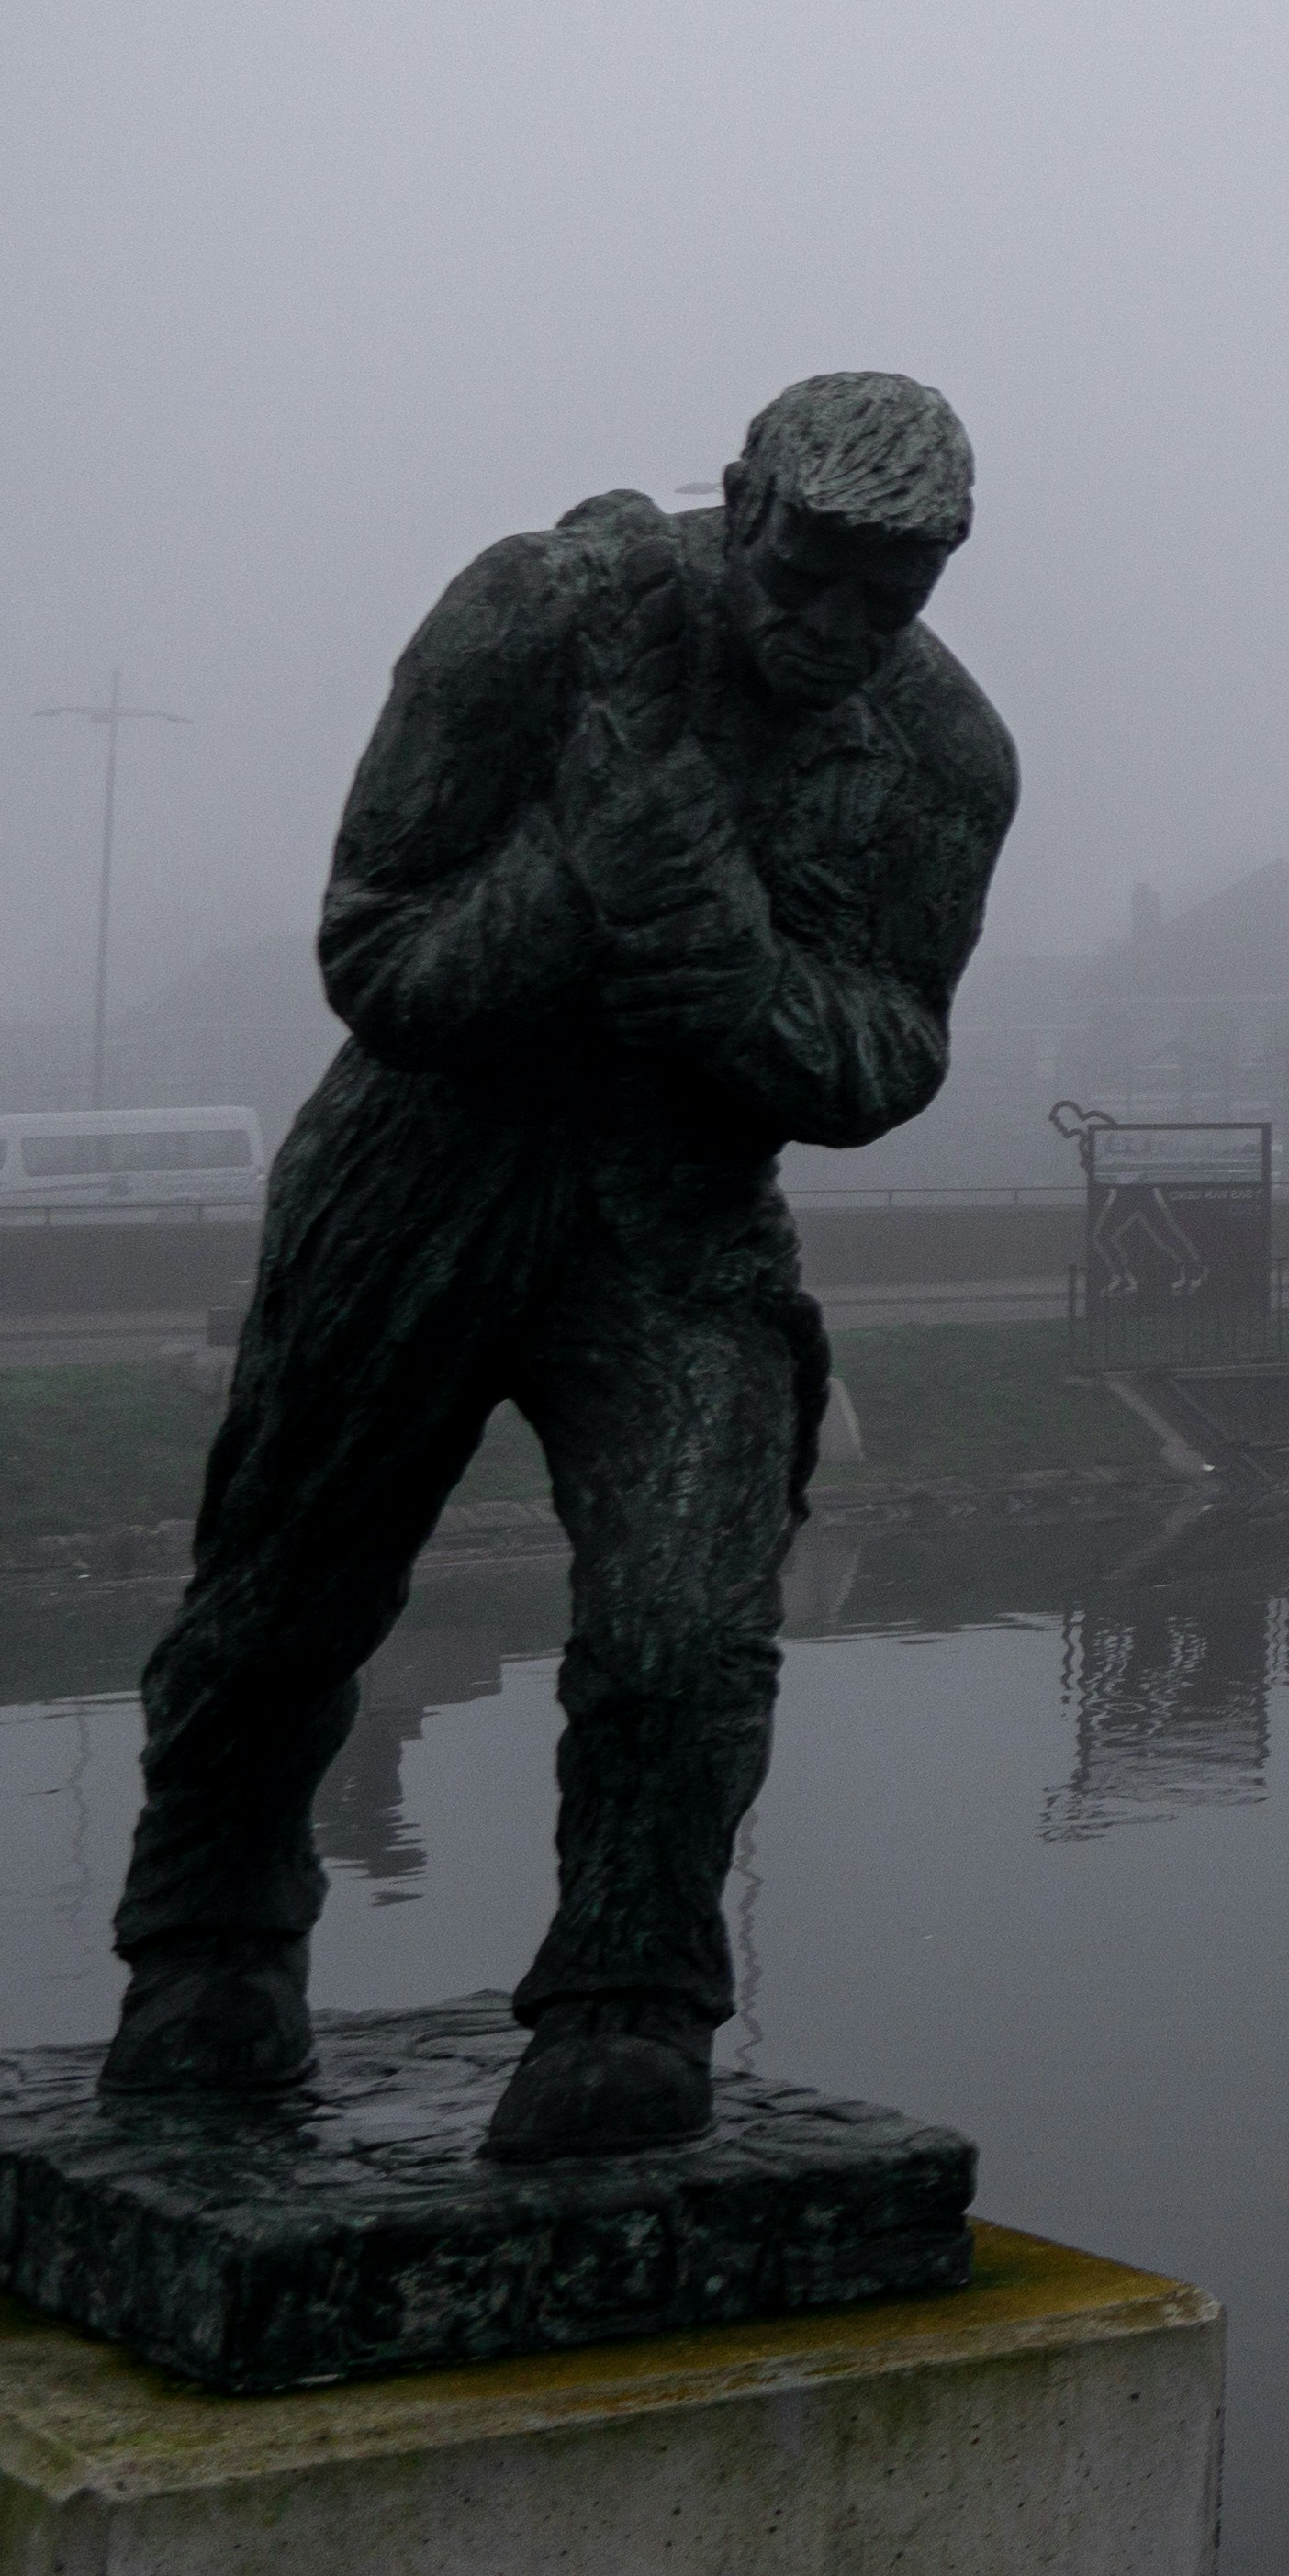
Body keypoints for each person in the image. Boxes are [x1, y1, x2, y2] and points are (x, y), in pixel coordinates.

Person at [103, 374, 1015, 2161]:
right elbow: (375, 951)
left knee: (689, 1620)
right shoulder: (538, 615)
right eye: (808, 571)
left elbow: (898, 1038)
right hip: (425, 1158)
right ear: (742, 498)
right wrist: (579, 889)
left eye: (885, 599)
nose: (833, 628)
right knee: (283, 1588)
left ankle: (632, 1998)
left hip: (684, 1207)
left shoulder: (944, 756)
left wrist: (748, 1001)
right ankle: (205, 1950)